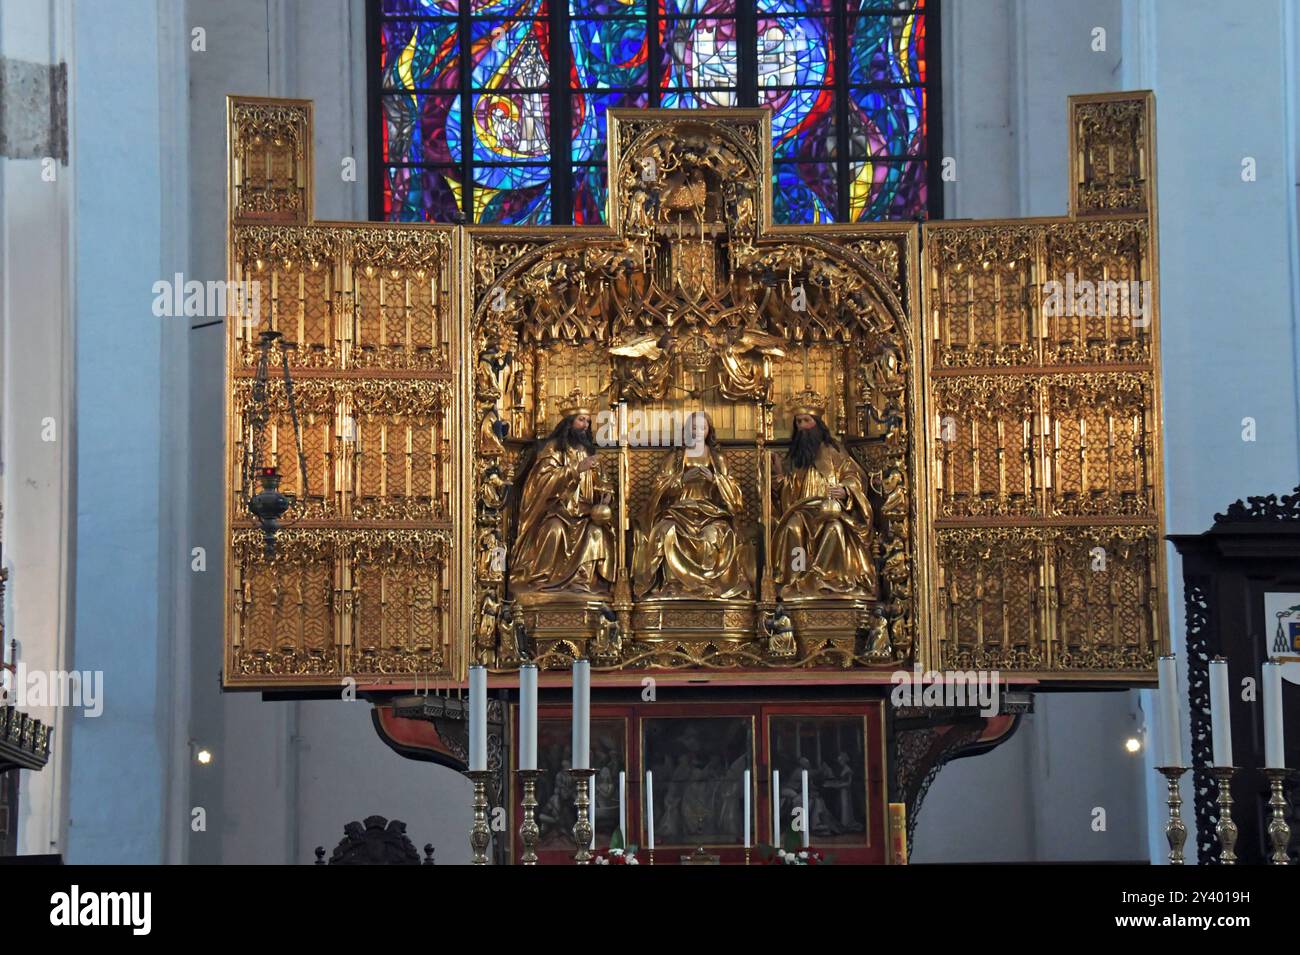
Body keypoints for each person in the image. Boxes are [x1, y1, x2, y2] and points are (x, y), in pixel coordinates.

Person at [508, 393, 617, 597]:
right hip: (557, 512)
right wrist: (576, 469)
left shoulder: (589, 452)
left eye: (588, 421)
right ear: (569, 423)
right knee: (553, 531)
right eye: (581, 420)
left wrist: (606, 495)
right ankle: (542, 581)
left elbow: (603, 482)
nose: (585, 425)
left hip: (585, 515)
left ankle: (581, 583)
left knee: (597, 533)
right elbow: (542, 482)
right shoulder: (554, 450)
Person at [770, 391, 877, 597]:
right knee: (792, 529)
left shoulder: (834, 451)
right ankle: (797, 577)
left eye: (806, 421)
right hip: (802, 510)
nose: (802, 426)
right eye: (798, 422)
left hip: (830, 511)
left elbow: (854, 475)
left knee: (835, 529)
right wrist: (780, 477)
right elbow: (788, 493)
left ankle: (824, 578)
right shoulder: (794, 458)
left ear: (817, 423)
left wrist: (846, 489)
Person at [633, 411, 750, 598]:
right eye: (693, 427)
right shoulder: (676, 457)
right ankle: (673, 584)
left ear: (709, 430)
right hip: (679, 511)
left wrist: (714, 479)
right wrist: (682, 479)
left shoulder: (717, 458)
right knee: (665, 530)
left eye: (702, 427)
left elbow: (734, 492)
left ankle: (707, 585)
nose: (698, 431)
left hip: (710, 512)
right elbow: (658, 488)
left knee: (715, 534)